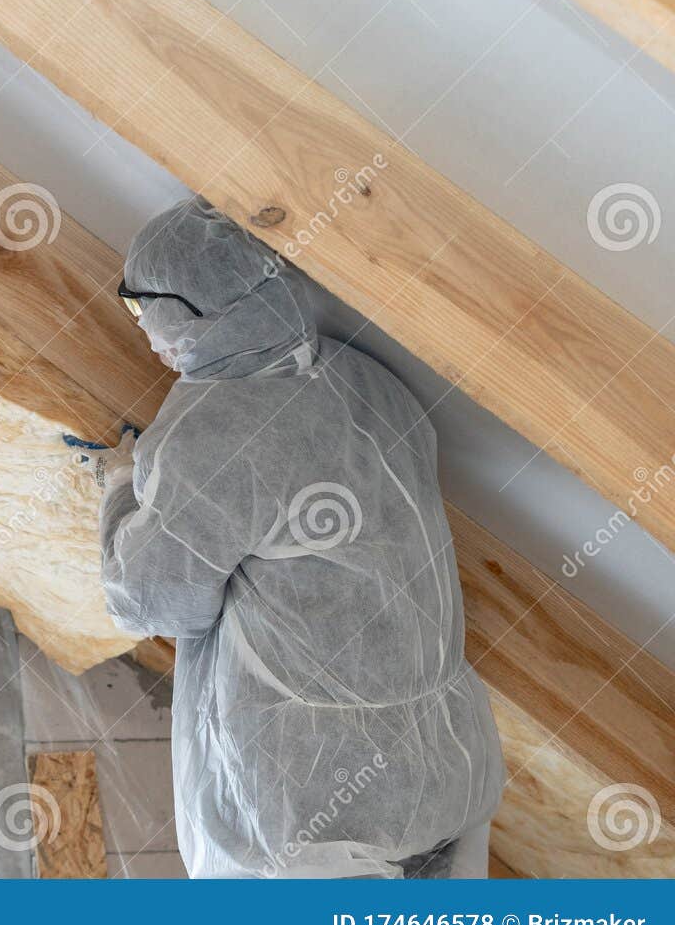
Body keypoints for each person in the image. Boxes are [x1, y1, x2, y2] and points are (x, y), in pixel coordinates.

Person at [97, 196, 504, 879]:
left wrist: (114, 494)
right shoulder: (369, 382)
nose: (141, 328)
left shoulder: (213, 433)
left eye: (140, 308)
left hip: (320, 806)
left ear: (185, 312)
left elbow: (155, 599)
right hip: (441, 771)